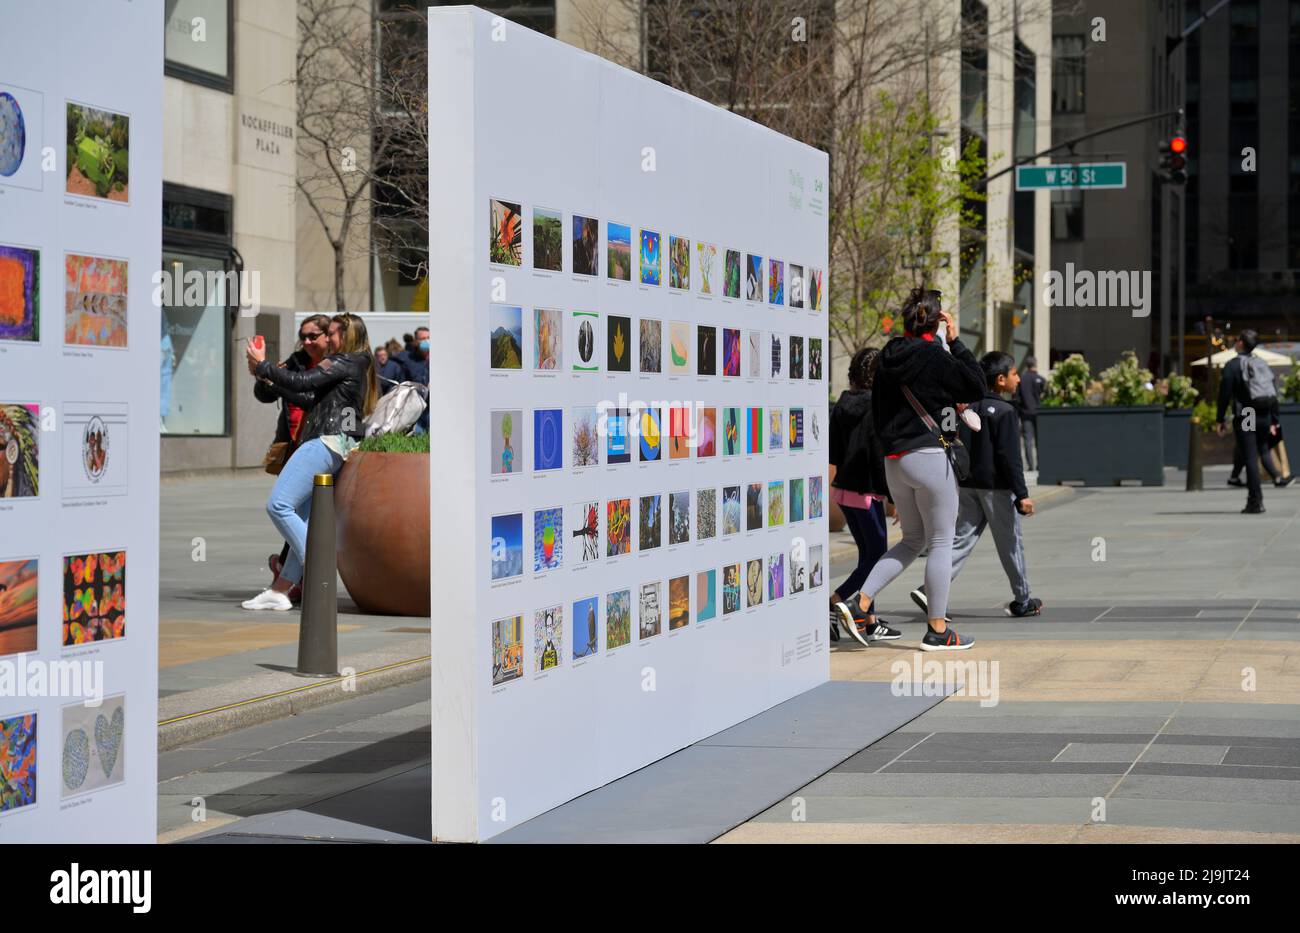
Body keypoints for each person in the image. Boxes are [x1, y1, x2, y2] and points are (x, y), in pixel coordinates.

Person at [853, 286, 985, 651]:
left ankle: (860, 602)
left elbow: (876, 417)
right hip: (930, 458)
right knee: (941, 541)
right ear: (939, 320)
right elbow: (976, 384)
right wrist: (956, 343)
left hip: (895, 461)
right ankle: (938, 630)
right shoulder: (935, 356)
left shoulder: (885, 359)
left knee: (912, 540)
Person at [241, 313, 379, 610]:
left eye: (331, 333)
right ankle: (280, 590)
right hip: (332, 442)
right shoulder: (356, 363)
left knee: (278, 505)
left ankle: (317, 563)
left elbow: (303, 380)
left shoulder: (345, 360)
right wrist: (267, 376)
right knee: (300, 515)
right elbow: (307, 397)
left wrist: (264, 365)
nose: (326, 339)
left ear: (348, 335)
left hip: (324, 441)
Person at [911, 352, 1043, 619]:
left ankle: (930, 589)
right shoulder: (1006, 412)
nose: (1018, 379)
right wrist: (1022, 495)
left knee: (961, 540)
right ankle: (1023, 599)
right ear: (1001, 380)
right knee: (1010, 544)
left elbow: (945, 437)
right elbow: (1010, 458)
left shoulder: (963, 409)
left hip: (968, 485)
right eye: (1015, 374)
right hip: (996, 489)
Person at [253, 314, 331, 599]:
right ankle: (292, 573)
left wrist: (276, 380)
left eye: (313, 336)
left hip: (322, 444)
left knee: (300, 510)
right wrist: (265, 376)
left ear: (327, 336)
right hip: (297, 442)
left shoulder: (335, 364)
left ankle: (287, 571)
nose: (307, 342)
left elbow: (310, 398)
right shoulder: (296, 362)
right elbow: (264, 395)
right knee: (294, 509)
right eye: (304, 336)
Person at [828, 346, 901, 645]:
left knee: (869, 556)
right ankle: (834, 602)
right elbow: (877, 456)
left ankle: (870, 621)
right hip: (868, 494)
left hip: (844, 491)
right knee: (877, 559)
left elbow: (833, 452)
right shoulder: (877, 406)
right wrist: (893, 497)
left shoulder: (841, 404)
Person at [1216, 330, 1289, 514]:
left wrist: (1220, 419)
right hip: (1265, 412)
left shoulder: (1233, 366)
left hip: (1248, 413)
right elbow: (1272, 391)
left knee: (1250, 457)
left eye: (1237, 339)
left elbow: (1224, 394)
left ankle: (1255, 501)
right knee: (1260, 449)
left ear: (1241, 343)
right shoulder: (1261, 363)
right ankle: (1265, 486)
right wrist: (1274, 419)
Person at [1012, 355, 1045, 471]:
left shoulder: (1022, 379)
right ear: (1035, 364)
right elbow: (1045, 396)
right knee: (1040, 439)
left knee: (1027, 439)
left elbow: (1016, 397)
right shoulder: (1040, 379)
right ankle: (1040, 464)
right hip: (1039, 413)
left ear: (1026, 365)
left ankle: (1030, 464)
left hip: (1025, 413)